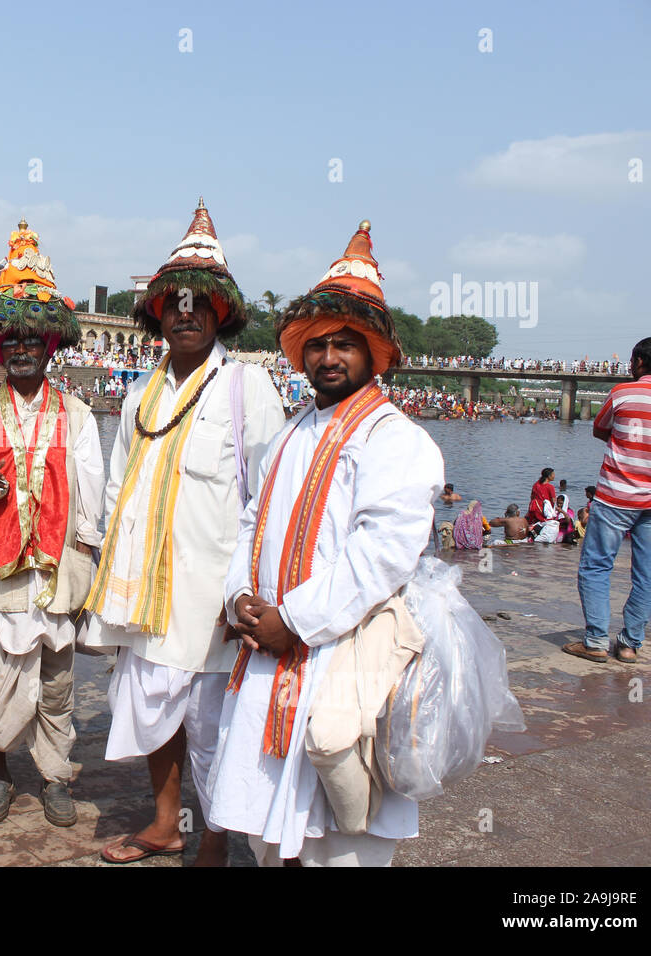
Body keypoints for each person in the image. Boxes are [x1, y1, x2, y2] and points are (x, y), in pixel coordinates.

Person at [209, 220, 444, 867]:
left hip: (343, 654)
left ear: (374, 354)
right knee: (265, 833)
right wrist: (240, 601)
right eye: (318, 345)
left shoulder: (397, 440)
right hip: (271, 650)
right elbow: (253, 524)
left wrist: (297, 620)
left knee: (345, 842)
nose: (329, 357)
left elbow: (382, 555)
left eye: (346, 344)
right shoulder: (288, 434)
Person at [82, 200, 284, 865]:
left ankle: (217, 841)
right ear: (158, 314)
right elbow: (117, 490)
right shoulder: (141, 392)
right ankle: (167, 824)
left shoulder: (247, 388)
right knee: (151, 717)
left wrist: (250, 594)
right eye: (175, 303)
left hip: (213, 601)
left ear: (220, 312)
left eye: (200, 303)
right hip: (145, 600)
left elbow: (271, 503)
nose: (187, 312)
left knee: (216, 733)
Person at [0, 221, 103, 828]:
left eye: (32, 342)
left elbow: (93, 492)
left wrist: (90, 553)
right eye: (11, 341)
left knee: (58, 680)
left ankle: (55, 775)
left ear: (48, 348)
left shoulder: (79, 414)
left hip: (58, 563)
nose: (21, 350)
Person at [567, 337, 651, 664]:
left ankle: (595, 641)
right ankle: (630, 644)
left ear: (637, 363)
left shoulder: (622, 393)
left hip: (616, 496)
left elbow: (599, 429)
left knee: (596, 566)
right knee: (647, 573)